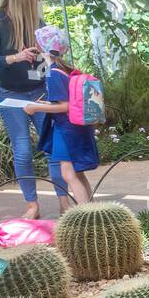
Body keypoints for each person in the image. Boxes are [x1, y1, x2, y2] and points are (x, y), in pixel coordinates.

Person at [0, 0, 67, 216]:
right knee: (23, 149)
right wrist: (14, 58)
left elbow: (52, 60)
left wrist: (49, 55)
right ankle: (32, 205)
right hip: (9, 94)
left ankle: (64, 202)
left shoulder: (37, 23)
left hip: (38, 92)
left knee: (53, 149)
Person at [21, 26, 95, 205]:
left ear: (42, 46)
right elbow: (63, 101)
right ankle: (92, 210)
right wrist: (46, 104)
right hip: (75, 128)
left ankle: (85, 214)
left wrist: (35, 108)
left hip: (66, 130)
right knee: (77, 173)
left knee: (68, 173)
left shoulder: (53, 72)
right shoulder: (63, 69)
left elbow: (65, 106)